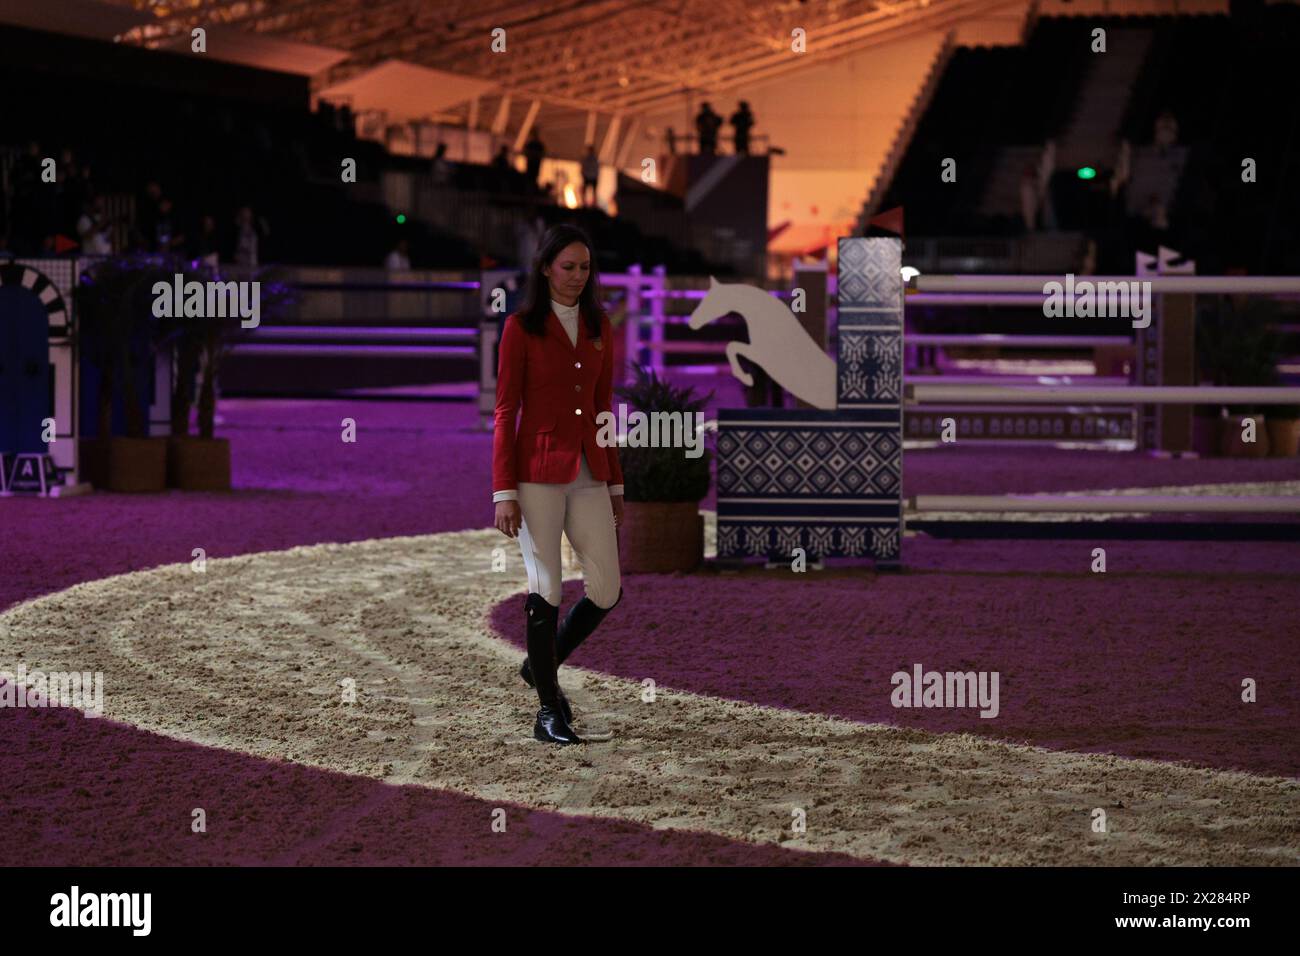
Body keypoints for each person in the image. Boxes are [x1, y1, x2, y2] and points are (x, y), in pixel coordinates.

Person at [492, 223, 625, 745]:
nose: (577, 276)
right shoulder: (520, 327)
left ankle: (539, 664)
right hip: (535, 474)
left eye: (584, 267)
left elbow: (602, 405)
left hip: (590, 471)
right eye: (567, 266)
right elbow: (506, 411)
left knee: (607, 589)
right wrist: (503, 490)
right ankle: (549, 711)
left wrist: (615, 483)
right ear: (546, 267)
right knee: (546, 585)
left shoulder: (599, 325)